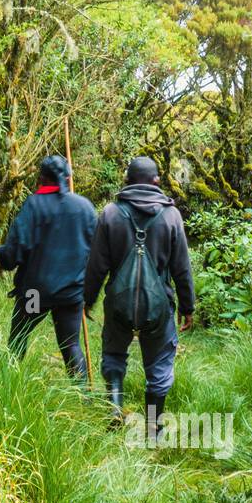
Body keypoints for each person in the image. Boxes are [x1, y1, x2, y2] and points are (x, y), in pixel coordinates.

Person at [83, 156, 195, 435]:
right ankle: (153, 429)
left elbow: (97, 265)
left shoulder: (110, 213)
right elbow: (182, 267)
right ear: (157, 181)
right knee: (158, 365)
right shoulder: (171, 216)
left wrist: (88, 300)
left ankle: (115, 408)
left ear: (127, 181)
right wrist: (187, 306)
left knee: (113, 354)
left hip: (118, 305)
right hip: (158, 308)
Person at [0, 155, 97, 377]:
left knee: (19, 337)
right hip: (70, 295)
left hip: (36, 294)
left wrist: (2, 256)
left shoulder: (34, 206)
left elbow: (14, 252)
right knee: (71, 345)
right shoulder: (84, 208)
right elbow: (97, 253)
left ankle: (8, 384)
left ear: (41, 178)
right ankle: (82, 397)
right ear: (69, 178)